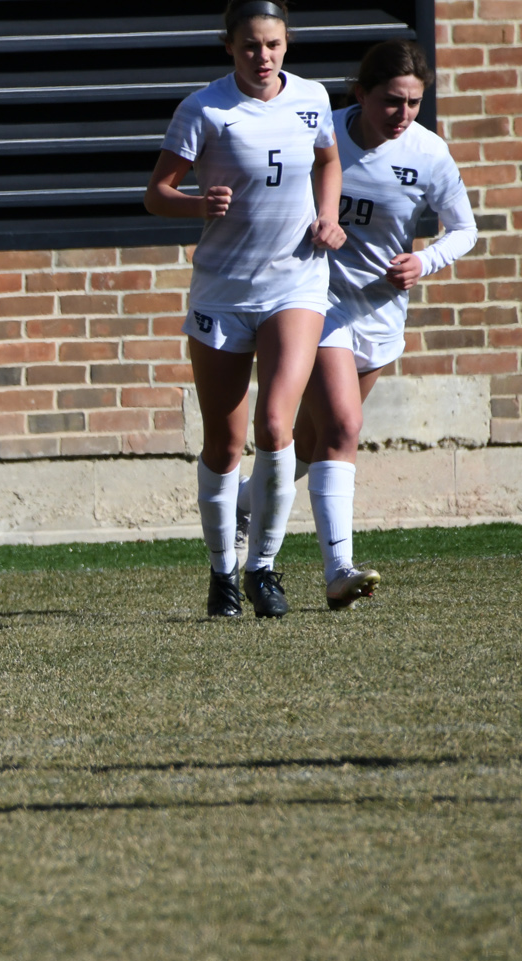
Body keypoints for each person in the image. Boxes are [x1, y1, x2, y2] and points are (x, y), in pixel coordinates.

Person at [146, 0, 345, 618]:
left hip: (297, 282)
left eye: (274, 45)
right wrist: (197, 204)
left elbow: (328, 160)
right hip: (223, 293)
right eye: (251, 45)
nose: (263, 56)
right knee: (225, 443)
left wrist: (329, 216)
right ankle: (222, 574)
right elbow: (157, 194)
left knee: (276, 425)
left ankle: (263, 568)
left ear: (287, 45)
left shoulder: (311, 97)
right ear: (229, 47)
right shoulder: (204, 109)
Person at [268, 40, 474, 610]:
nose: (403, 114)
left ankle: (241, 508)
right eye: (391, 101)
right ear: (360, 94)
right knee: (345, 424)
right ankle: (338, 571)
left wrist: (424, 260)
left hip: (380, 311)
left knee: (314, 441)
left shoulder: (429, 153)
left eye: (413, 103)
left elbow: (464, 229)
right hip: (316, 299)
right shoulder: (323, 134)